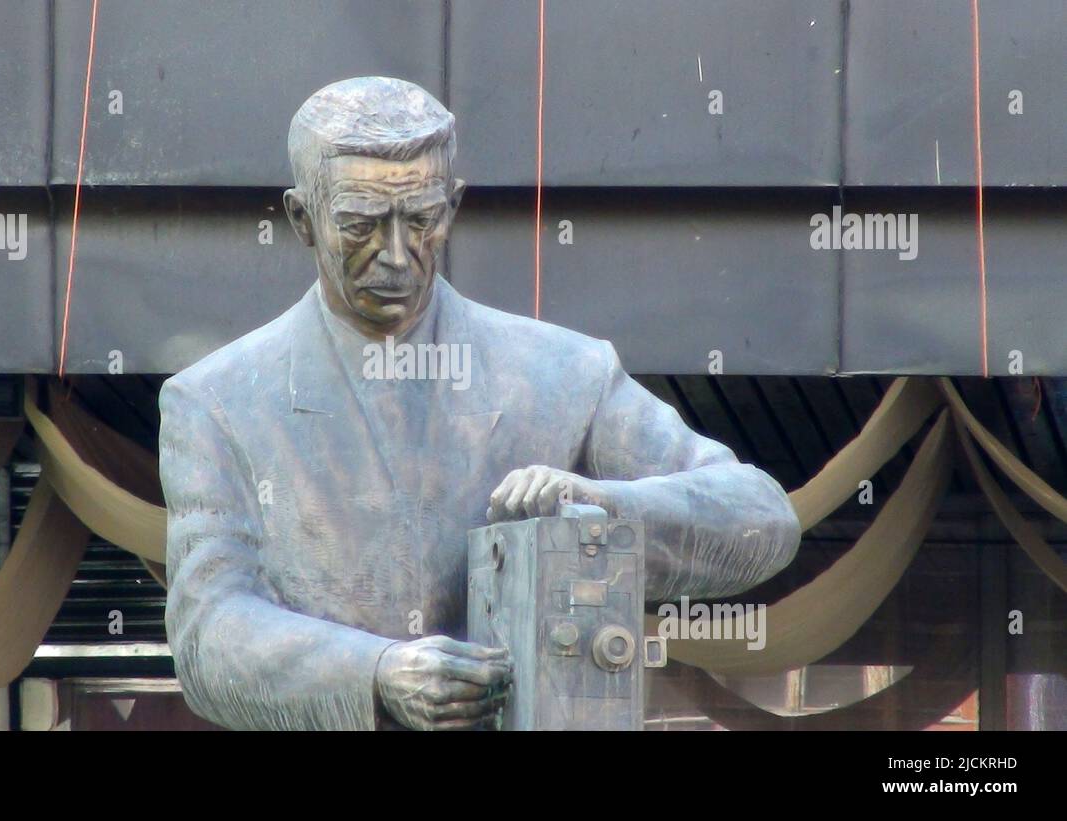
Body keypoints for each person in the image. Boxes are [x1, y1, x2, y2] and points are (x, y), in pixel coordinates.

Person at [160, 77, 800, 731]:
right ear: (302, 219)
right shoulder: (216, 403)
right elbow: (208, 630)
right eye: (359, 224)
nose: (397, 253)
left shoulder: (562, 375)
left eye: (422, 218)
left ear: (454, 206)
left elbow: (762, 518)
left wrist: (597, 510)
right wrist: (376, 672)